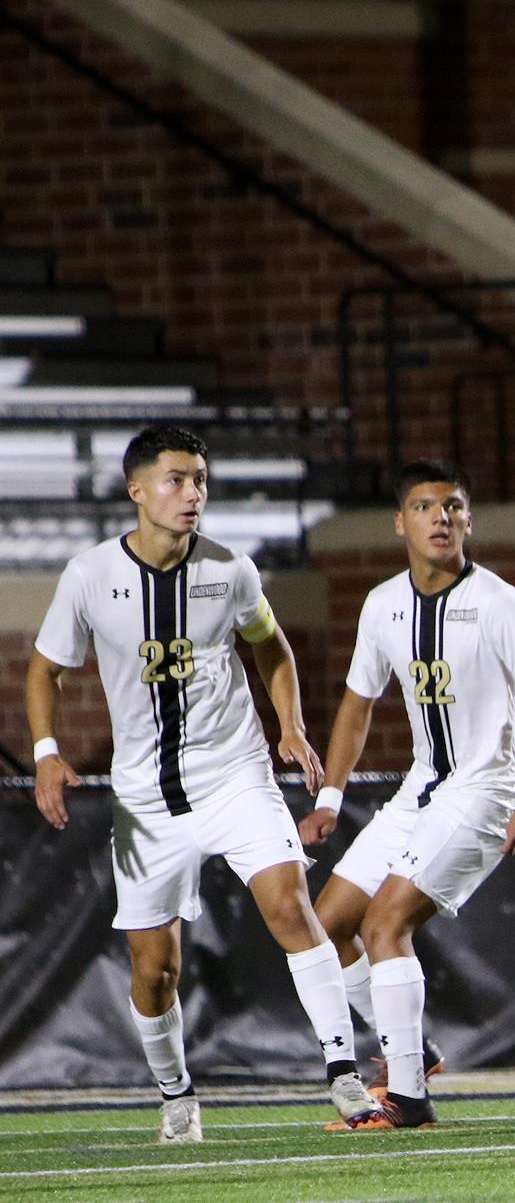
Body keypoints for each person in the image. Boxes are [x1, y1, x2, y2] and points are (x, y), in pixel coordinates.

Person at [27, 425, 382, 1141]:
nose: (194, 493)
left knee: (290, 904)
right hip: (145, 797)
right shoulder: (90, 576)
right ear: (137, 490)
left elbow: (271, 649)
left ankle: (345, 1073)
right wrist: (45, 751)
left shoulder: (231, 569)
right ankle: (176, 1093)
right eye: (177, 479)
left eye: (201, 480)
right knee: (154, 966)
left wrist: (289, 723)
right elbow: (45, 669)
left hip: (236, 774)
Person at [299, 459, 515, 1129]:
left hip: (486, 789)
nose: (440, 517)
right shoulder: (382, 603)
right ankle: (411, 1048)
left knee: (384, 924)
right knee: (326, 924)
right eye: (425, 506)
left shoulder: (501, 601)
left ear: (468, 520)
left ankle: (410, 1095)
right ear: (401, 522)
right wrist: (330, 796)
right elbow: (357, 707)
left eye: (452, 506)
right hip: (421, 787)